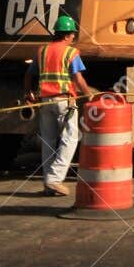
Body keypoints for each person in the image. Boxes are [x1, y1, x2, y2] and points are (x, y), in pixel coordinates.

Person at [29, 13, 91, 196]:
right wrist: (89, 96)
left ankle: (48, 184)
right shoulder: (71, 52)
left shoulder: (42, 51)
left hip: (45, 101)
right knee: (70, 138)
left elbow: (29, 75)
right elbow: (78, 79)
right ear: (66, 35)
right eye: (72, 34)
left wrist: (28, 94)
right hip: (63, 101)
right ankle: (55, 178)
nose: (73, 37)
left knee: (48, 140)